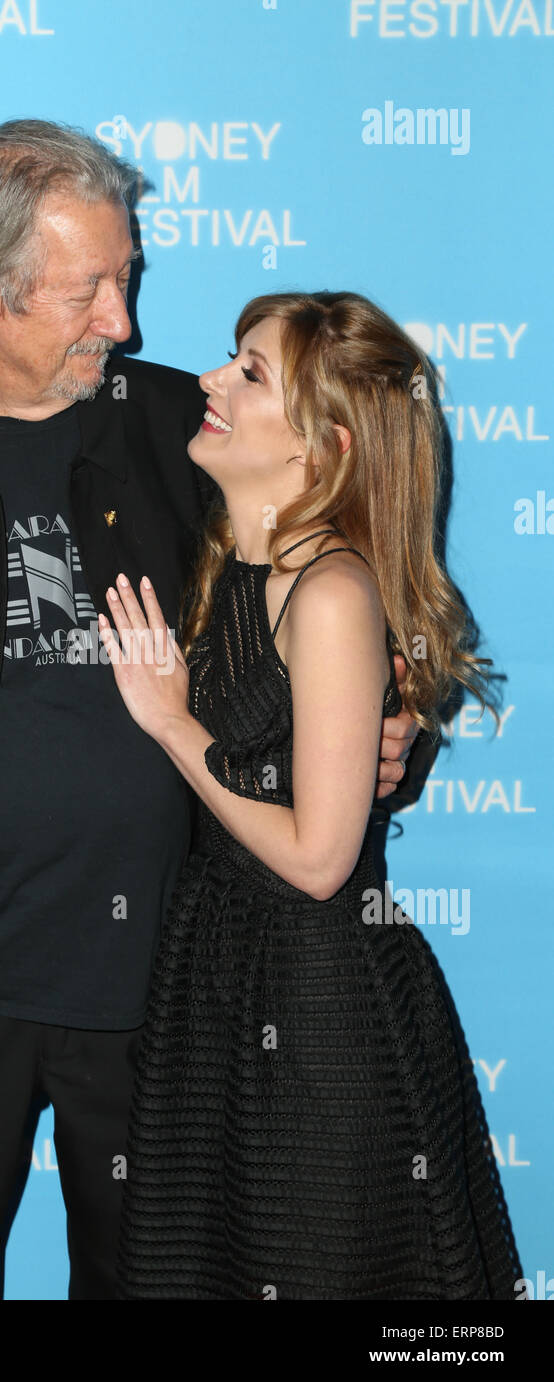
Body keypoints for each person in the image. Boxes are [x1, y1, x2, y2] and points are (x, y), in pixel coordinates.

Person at [0, 123, 417, 1301]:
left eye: (128, 276)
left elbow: (333, 593)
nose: (124, 323)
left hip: (166, 980)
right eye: (89, 292)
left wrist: (390, 733)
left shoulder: (183, 425)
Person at [99, 291, 523, 1300]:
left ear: (322, 446)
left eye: (249, 374)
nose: (207, 380)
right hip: (213, 995)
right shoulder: (230, 567)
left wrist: (171, 722)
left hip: (315, 1008)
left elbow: (319, 860)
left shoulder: (327, 593)